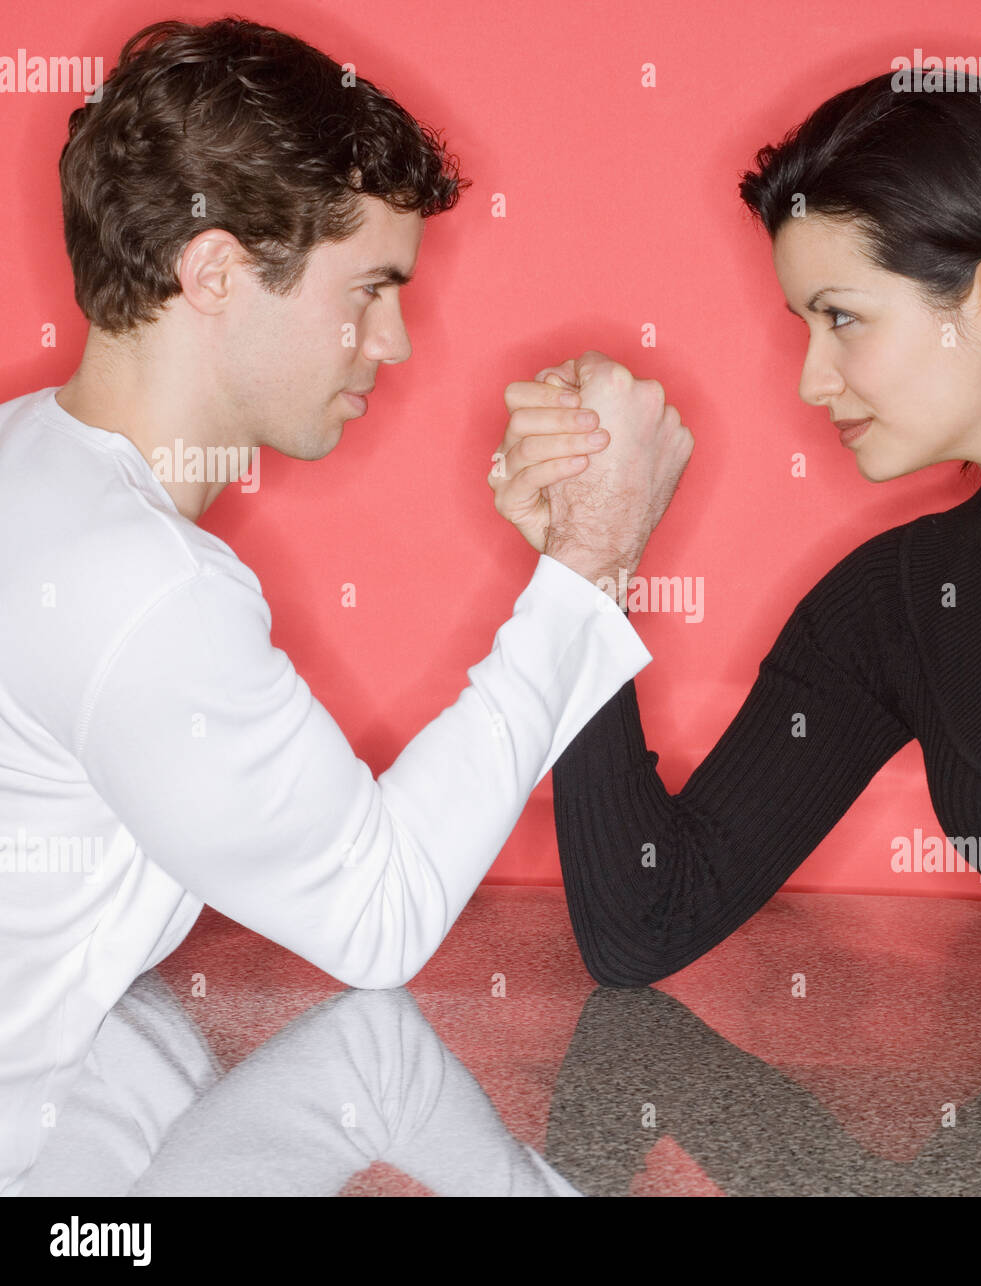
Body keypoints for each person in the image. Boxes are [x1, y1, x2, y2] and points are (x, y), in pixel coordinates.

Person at [492, 74, 981, 1198]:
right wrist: (588, 567)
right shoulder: (894, 607)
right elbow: (644, 918)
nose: (812, 380)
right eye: (802, 325)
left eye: (841, 317)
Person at [0, 17, 691, 1195]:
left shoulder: (29, 463)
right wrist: (588, 561)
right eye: (368, 289)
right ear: (213, 271)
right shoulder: (148, 586)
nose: (397, 340)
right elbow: (379, 914)